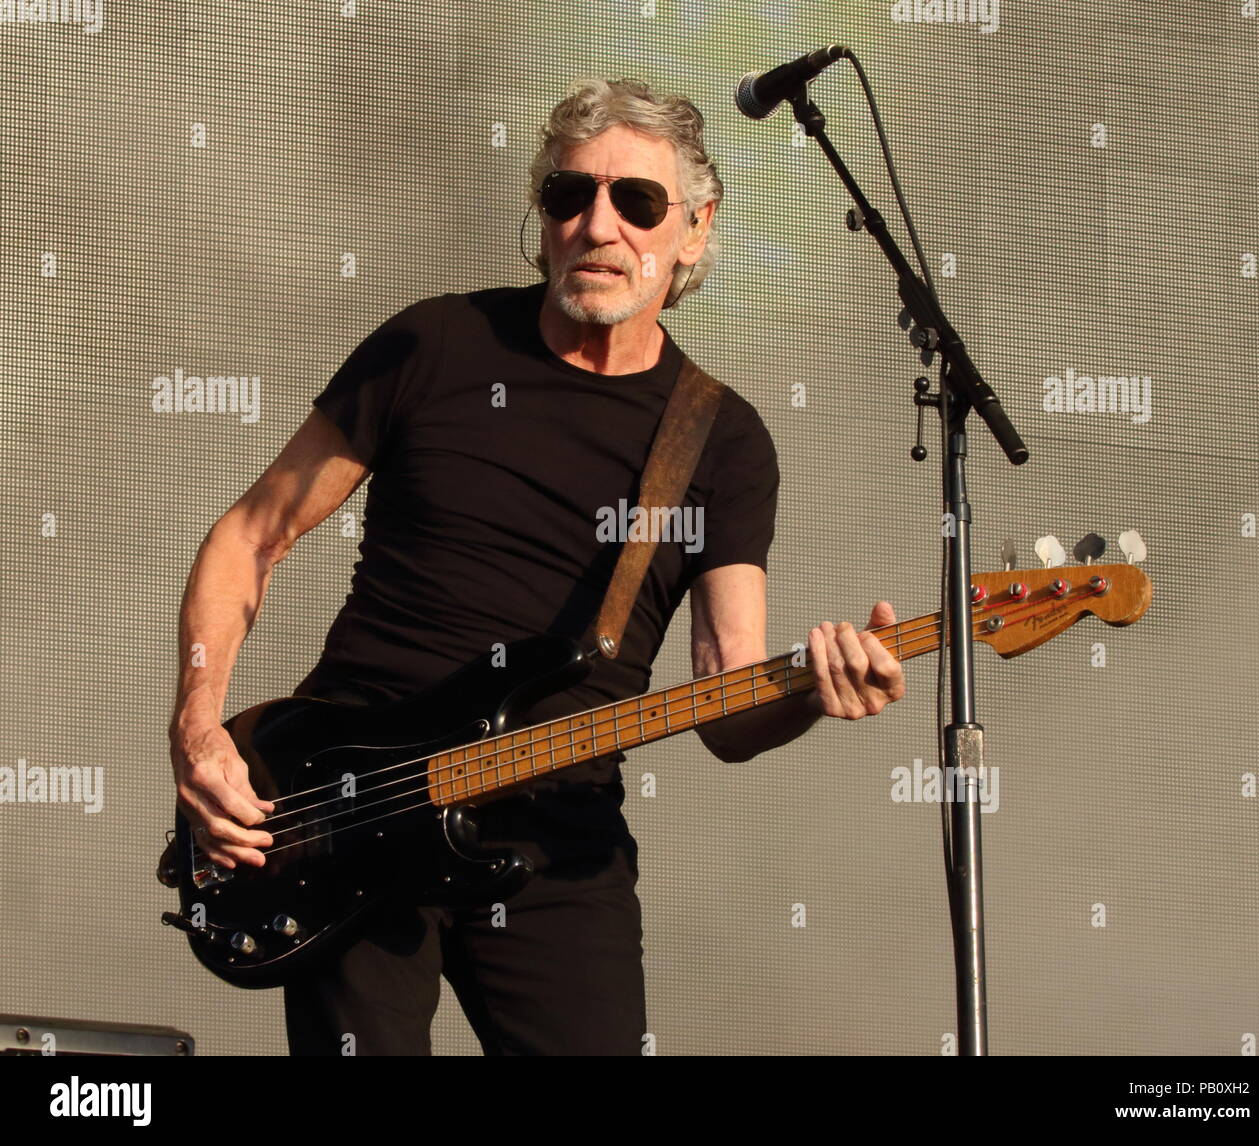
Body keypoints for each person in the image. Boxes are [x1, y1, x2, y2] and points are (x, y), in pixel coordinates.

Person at [167, 77, 906, 1057]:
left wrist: (813, 693)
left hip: (555, 836)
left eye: (634, 201)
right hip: (349, 796)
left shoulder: (719, 440)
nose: (597, 224)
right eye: (568, 195)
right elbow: (251, 534)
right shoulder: (435, 344)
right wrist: (196, 725)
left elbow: (727, 705)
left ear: (693, 227)